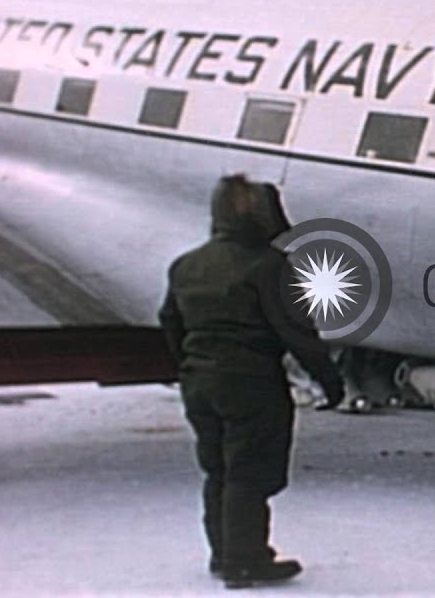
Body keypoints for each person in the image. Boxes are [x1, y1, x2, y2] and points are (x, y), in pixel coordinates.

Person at [159, 175, 343, 589]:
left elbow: (169, 321)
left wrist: (188, 364)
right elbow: (297, 332)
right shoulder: (270, 266)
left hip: (199, 380)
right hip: (251, 381)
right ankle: (247, 561)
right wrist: (329, 380)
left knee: (218, 469)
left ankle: (223, 555)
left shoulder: (186, 264)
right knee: (249, 473)